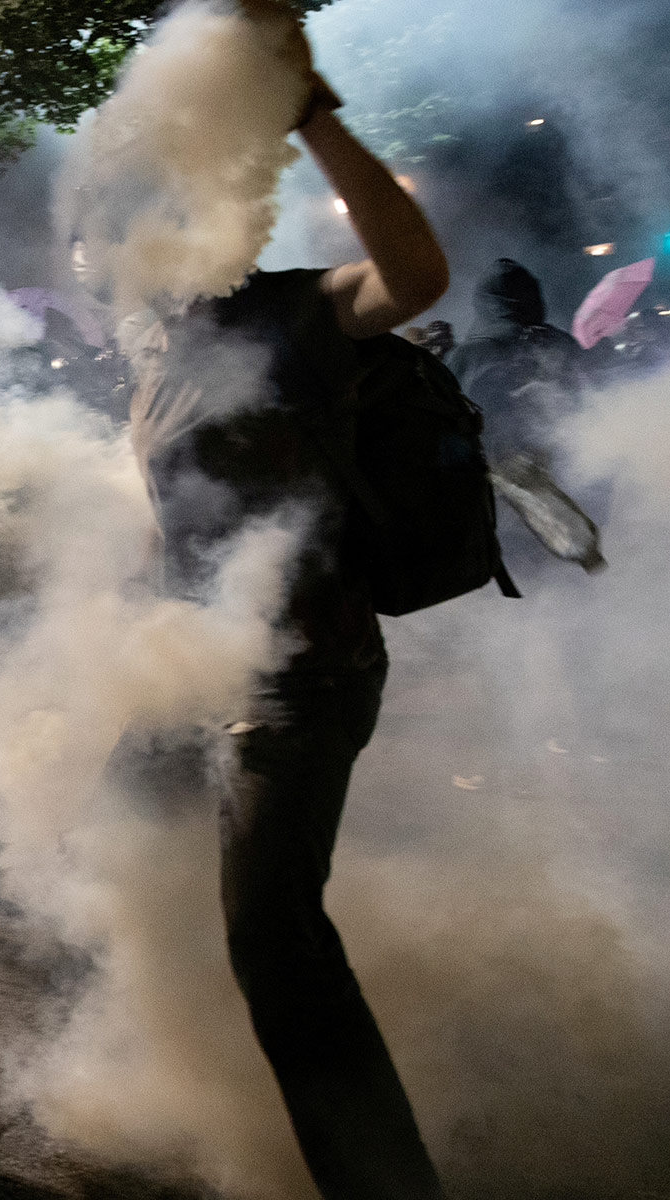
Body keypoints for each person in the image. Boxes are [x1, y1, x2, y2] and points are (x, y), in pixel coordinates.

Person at [121, 38, 452, 1200]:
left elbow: (412, 281)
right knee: (106, 827)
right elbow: (172, 530)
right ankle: (153, 1077)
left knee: (272, 941)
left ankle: (385, 1183)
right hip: (201, 669)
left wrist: (310, 113)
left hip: (299, 675)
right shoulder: (155, 354)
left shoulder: (283, 314)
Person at [444, 258, 584, 459]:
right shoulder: (562, 343)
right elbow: (595, 401)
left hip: (492, 472)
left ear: (484, 301)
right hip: (570, 465)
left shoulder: (467, 354)